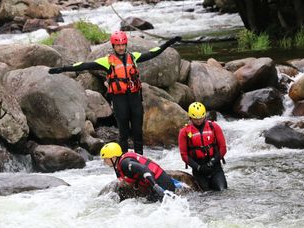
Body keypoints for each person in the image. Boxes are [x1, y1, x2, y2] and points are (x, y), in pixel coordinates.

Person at [49, 31, 182, 155]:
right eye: (118, 45)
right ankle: (124, 159)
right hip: (120, 101)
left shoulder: (133, 57)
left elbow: (153, 53)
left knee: (137, 133)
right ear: (113, 46)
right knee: (123, 134)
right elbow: (85, 65)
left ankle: (140, 159)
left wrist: (168, 43)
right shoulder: (107, 61)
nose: (121, 48)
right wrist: (63, 68)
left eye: (123, 45)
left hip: (135, 99)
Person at [100, 142, 183, 202]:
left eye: (106, 159)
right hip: (155, 184)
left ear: (114, 158)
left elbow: (143, 168)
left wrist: (155, 185)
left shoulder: (125, 163)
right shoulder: (119, 164)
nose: (104, 162)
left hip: (161, 183)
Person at [178, 102, 228, 191]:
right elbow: (184, 155)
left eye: (201, 118)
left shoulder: (214, 127)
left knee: (222, 191)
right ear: (190, 117)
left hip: (215, 167)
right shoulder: (184, 132)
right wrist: (198, 167)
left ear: (204, 116)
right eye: (195, 118)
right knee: (205, 195)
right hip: (198, 169)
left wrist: (212, 162)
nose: (198, 120)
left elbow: (223, 148)